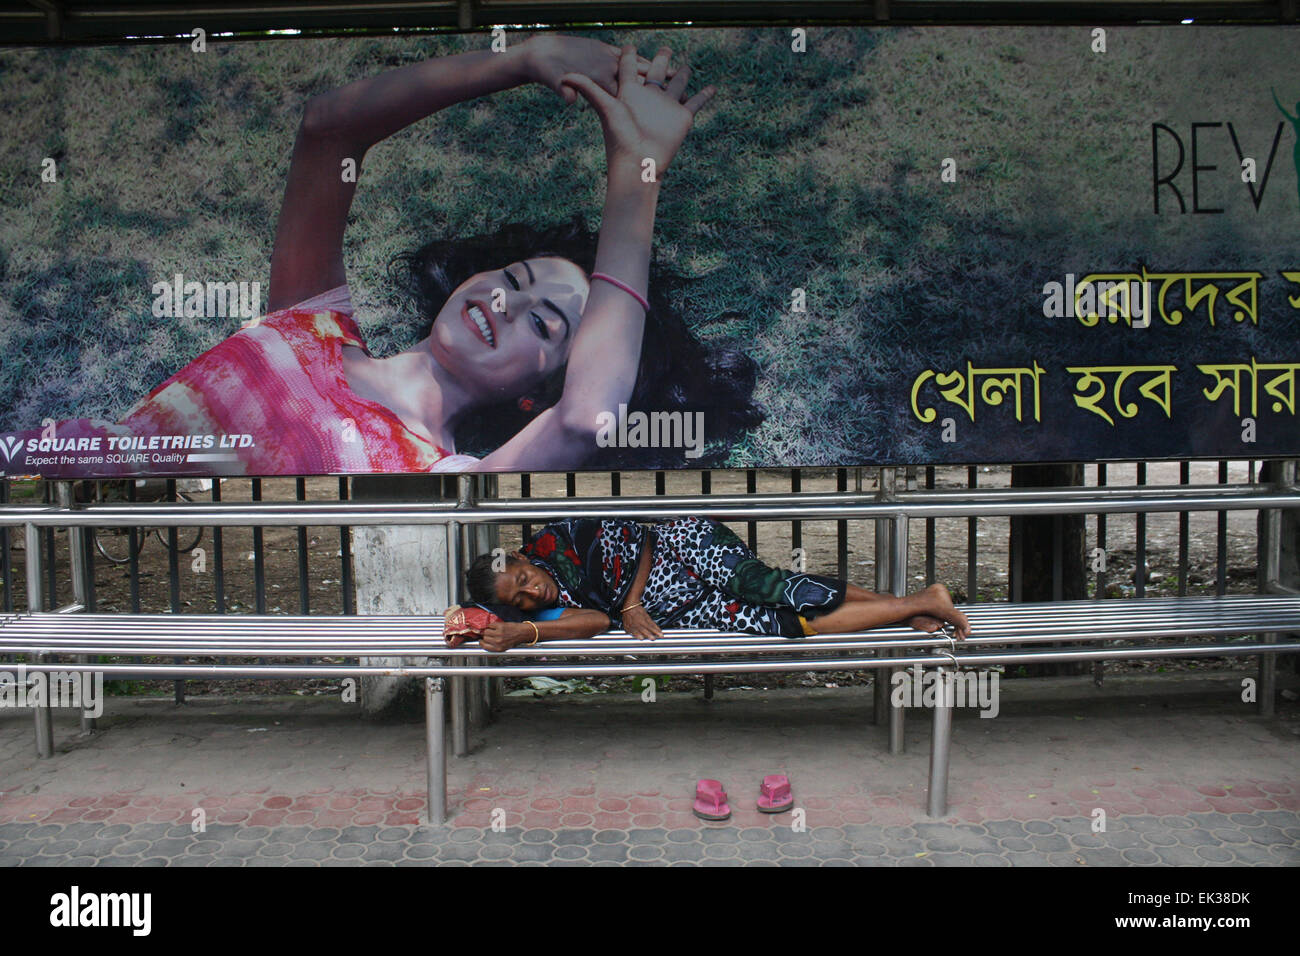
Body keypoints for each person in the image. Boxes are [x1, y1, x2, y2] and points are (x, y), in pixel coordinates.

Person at [16, 37, 761, 477]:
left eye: (546, 329)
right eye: (515, 280)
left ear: (532, 396)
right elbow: (329, 129)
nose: (507, 303)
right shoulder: (311, 323)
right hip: (34, 475)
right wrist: (521, 59)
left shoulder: (440, 474)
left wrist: (635, 172)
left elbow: (590, 416)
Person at [462, 516, 971, 652]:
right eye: (521, 599)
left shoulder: (561, 538)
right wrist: (522, 629)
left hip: (690, 550)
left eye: (525, 579)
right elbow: (595, 620)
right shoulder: (535, 611)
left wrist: (633, 602)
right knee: (787, 624)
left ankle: (918, 603)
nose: (534, 593)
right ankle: (914, 605)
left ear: (521, 555)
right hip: (686, 607)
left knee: (775, 588)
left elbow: (638, 537)